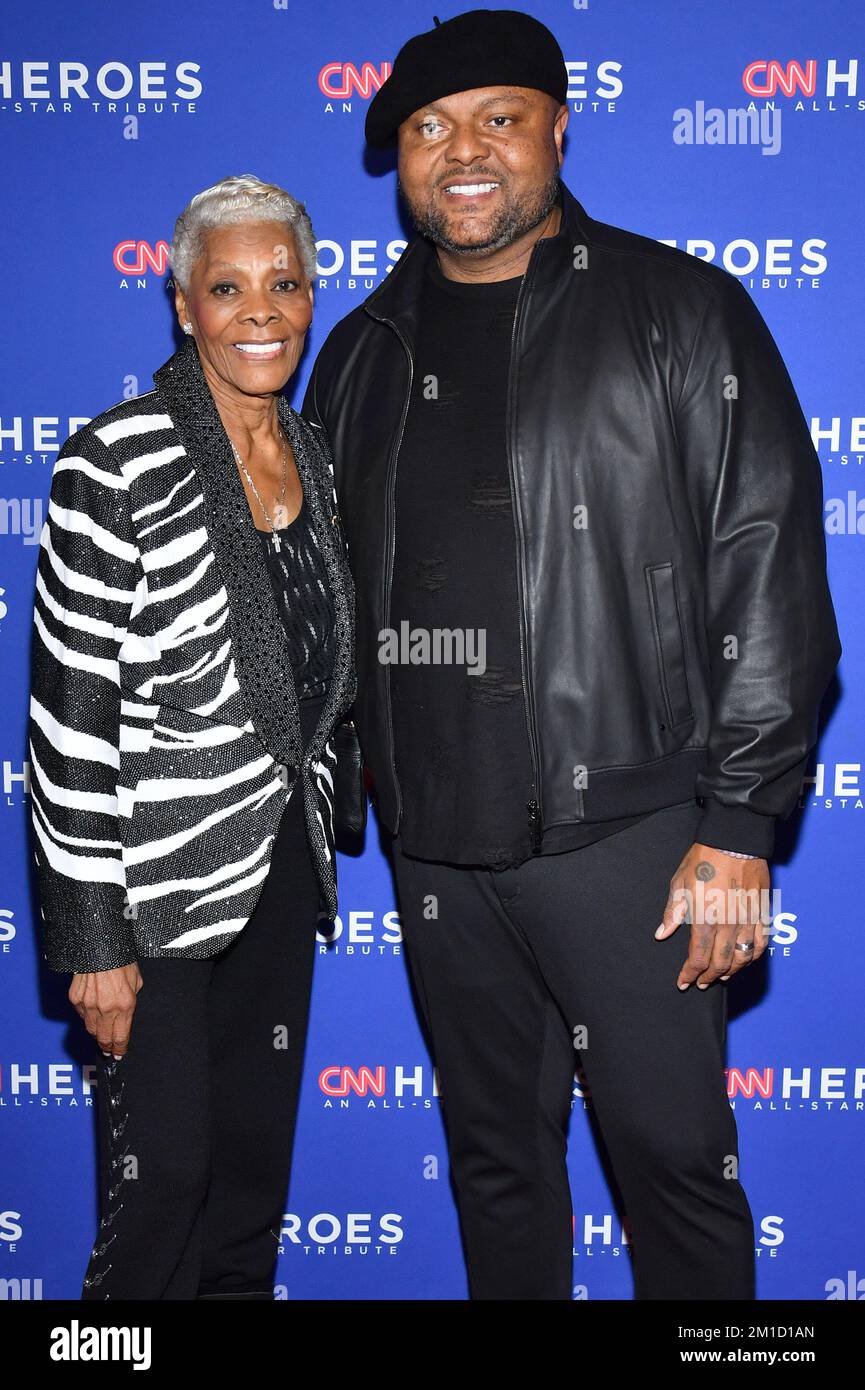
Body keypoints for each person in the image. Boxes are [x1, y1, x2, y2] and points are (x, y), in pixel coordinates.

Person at [301, 11, 841, 1300]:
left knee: (674, 1170)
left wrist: (741, 823)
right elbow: (319, 599)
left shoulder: (680, 308)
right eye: (428, 129)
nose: (463, 152)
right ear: (400, 163)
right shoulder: (363, 354)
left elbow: (767, 565)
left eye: (497, 116)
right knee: (494, 1167)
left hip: (639, 839)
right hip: (440, 835)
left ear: (557, 122)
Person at [28, 174, 355, 1300]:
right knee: (159, 1187)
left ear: (311, 296)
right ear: (183, 305)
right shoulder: (115, 460)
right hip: (153, 900)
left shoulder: (314, 455)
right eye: (228, 287)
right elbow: (70, 723)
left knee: (248, 1188)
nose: (260, 310)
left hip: (275, 876)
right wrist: (89, 940)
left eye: (283, 283)